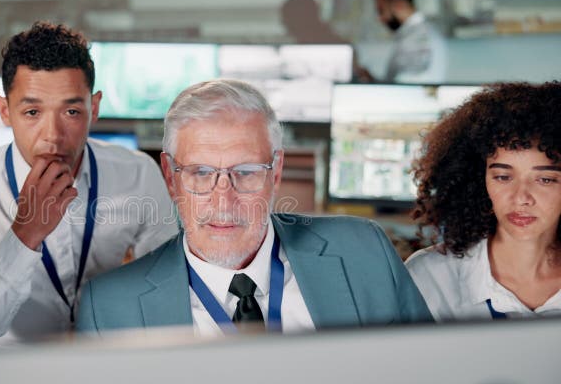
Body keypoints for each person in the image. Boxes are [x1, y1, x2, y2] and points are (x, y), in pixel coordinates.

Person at [76, 79, 432, 336]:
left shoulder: (363, 253)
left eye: (245, 172)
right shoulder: (109, 309)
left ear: (275, 172)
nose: (223, 200)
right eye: (201, 173)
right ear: (171, 178)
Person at [0, 21, 177, 342]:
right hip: (8, 368)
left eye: (71, 112)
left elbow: (169, 292)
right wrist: (25, 234)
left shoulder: (138, 174)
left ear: (94, 107)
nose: (53, 135)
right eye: (32, 112)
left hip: (111, 360)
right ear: (4, 111)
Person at [407, 82, 561, 322]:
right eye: (503, 177)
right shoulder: (430, 276)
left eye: (545, 179)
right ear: (479, 179)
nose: (521, 198)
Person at [372, 0, 448, 83]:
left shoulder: (419, 36)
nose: (380, 18)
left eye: (381, 11)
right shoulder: (415, 32)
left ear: (398, 5)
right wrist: (373, 81)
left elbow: (407, 83)